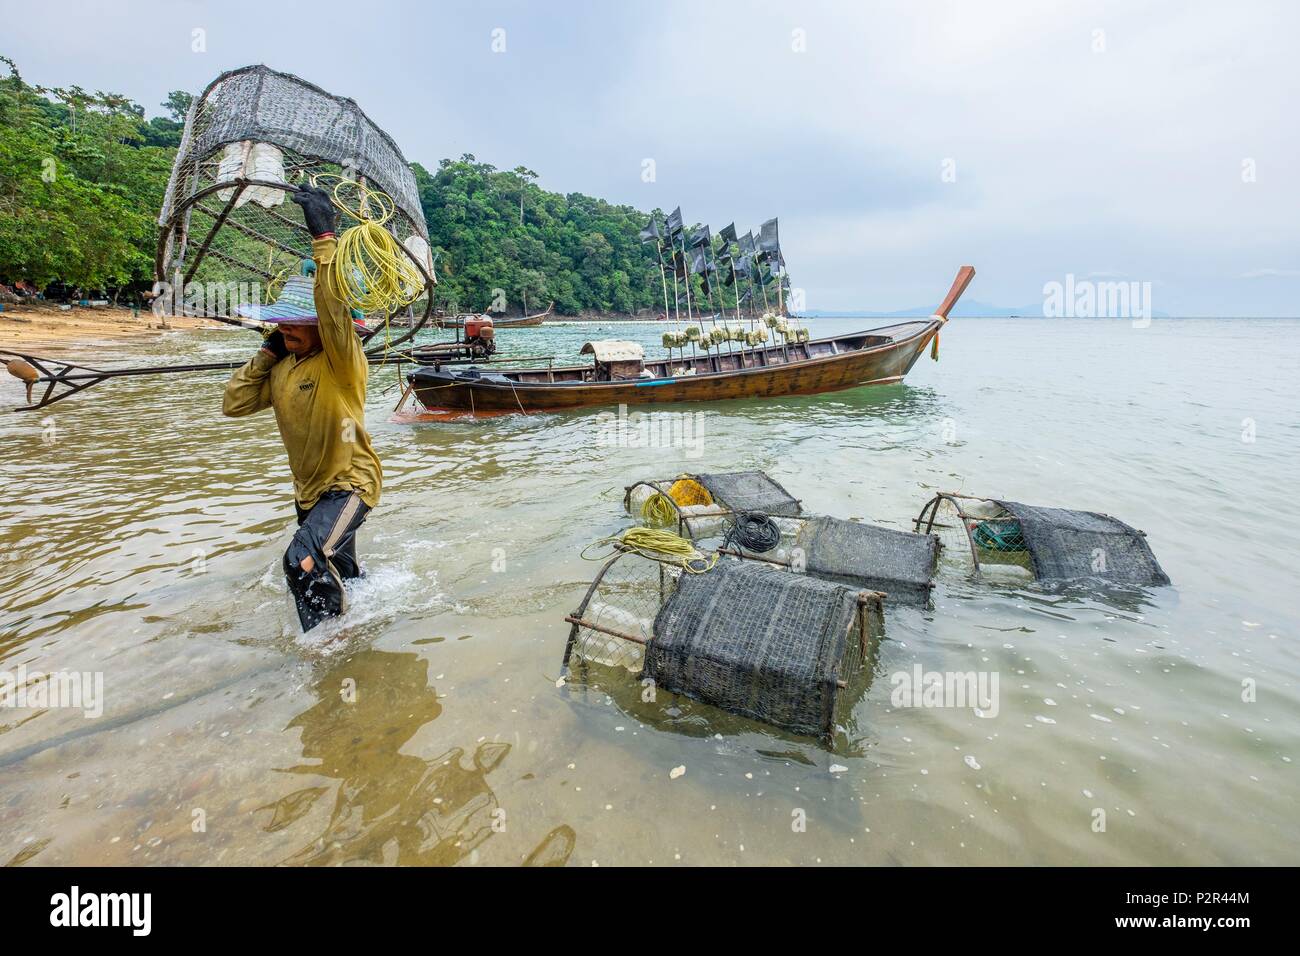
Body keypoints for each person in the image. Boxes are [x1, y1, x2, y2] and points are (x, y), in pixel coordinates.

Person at [222, 185, 382, 631]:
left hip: (349, 485)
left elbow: (332, 310)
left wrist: (325, 237)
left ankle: (327, 649)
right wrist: (267, 355)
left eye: (295, 323)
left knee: (301, 560)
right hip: (309, 493)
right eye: (280, 322)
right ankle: (367, 626)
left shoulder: (341, 361)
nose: (284, 327)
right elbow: (233, 404)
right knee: (344, 573)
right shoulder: (280, 365)